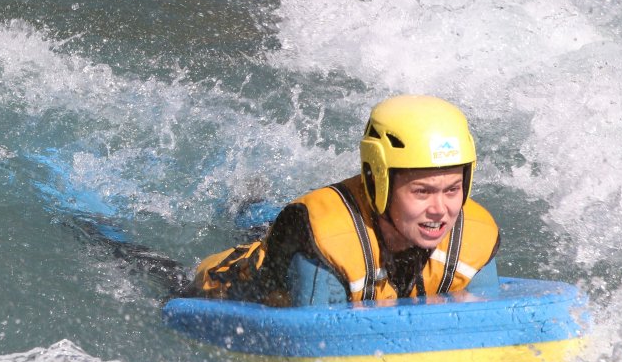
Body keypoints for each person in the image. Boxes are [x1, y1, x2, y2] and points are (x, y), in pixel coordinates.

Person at [191, 95, 500, 306]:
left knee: (265, 227)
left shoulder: (474, 235)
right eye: (421, 192)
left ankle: (255, 210)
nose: (439, 210)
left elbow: (489, 326)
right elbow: (316, 350)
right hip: (225, 286)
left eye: (451, 190)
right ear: (378, 183)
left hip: (317, 240)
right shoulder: (329, 243)